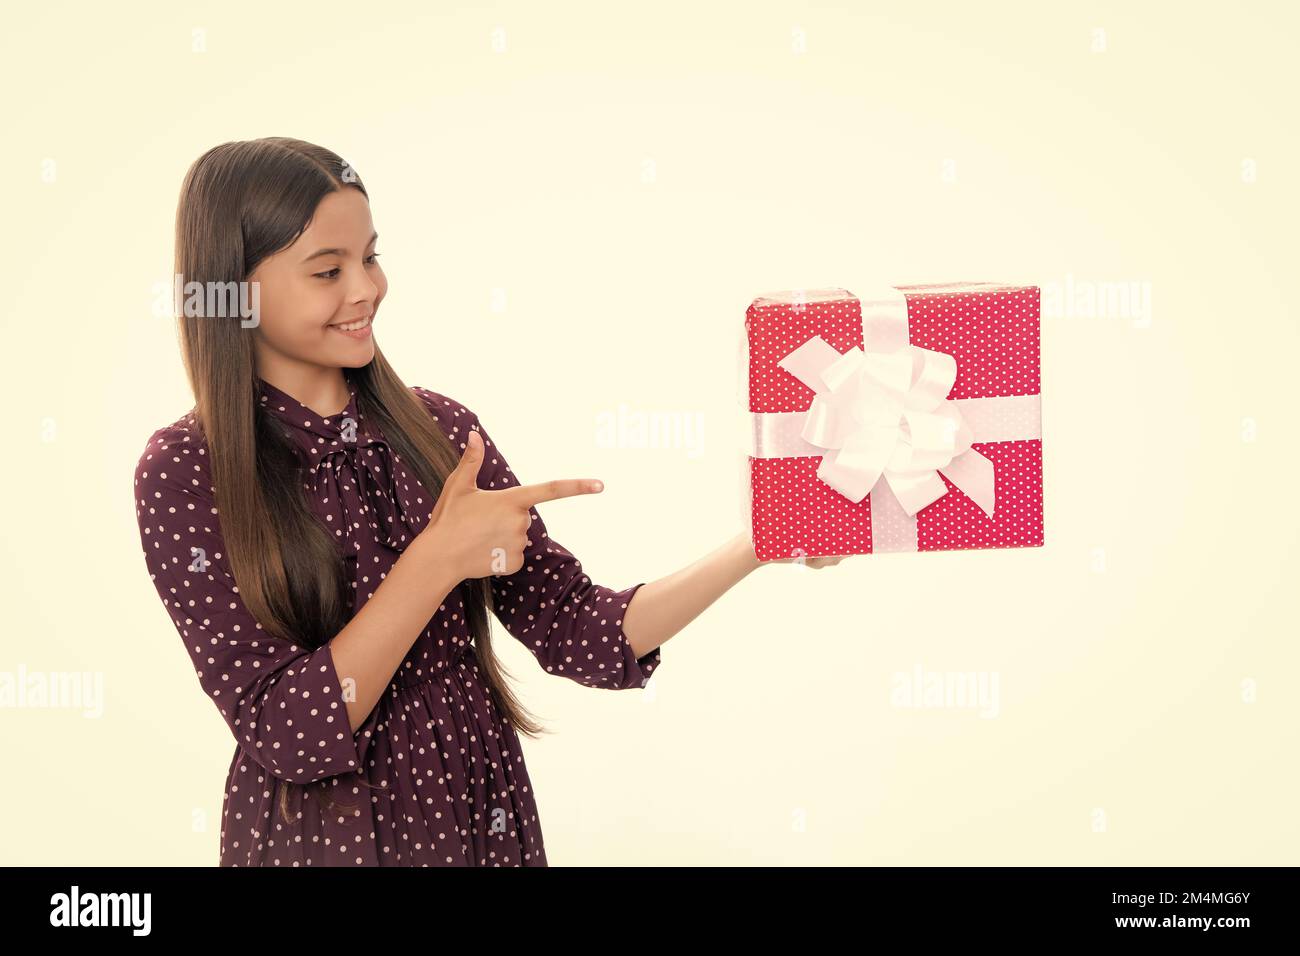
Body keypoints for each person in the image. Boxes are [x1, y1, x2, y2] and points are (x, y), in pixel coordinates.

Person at [132, 137, 845, 867]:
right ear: (234, 292)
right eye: (327, 270)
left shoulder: (441, 431)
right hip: (321, 841)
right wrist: (435, 561)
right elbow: (289, 733)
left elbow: (587, 634)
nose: (367, 289)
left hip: (479, 816)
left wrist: (760, 541)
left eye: (371, 257)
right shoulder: (187, 470)